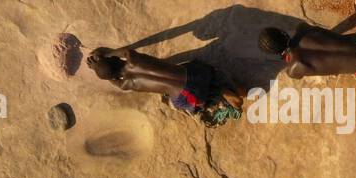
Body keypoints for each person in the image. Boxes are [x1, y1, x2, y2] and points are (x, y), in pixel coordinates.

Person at [86, 46, 244, 126]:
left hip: (188, 97)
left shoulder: (125, 84)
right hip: (195, 75)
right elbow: (122, 52)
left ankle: (214, 98)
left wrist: (97, 69)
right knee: (191, 67)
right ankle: (220, 87)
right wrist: (106, 55)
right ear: (114, 59)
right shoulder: (132, 57)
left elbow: (113, 78)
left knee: (173, 102)